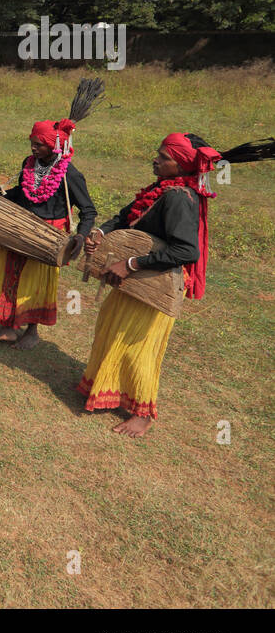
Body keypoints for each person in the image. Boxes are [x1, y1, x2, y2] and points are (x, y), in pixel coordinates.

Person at [76, 133, 219, 437]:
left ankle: (143, 414)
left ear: (179, 165)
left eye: (163, 157)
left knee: (138, 346)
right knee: (112, 329)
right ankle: (106, 390)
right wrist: (101, 233)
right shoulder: (163, 189)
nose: (155, 159)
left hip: (156, 285)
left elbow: (185, 251)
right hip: (137, 282)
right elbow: (124, 217)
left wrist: (130, 264)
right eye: (157, 154)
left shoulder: (180, 198)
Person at [0, 118, 96, 350]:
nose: (33, 148)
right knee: (11, 273)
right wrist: (1, 196)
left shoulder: (69, 174)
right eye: (32, 142)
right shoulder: (30, 163)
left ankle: (32, 332)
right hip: (20, 227)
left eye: (39, 144)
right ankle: (10, 328)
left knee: (36, 283)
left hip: (48, 237)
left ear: (54, 146)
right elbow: (24, 192)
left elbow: (89, 210)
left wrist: (81, 237)